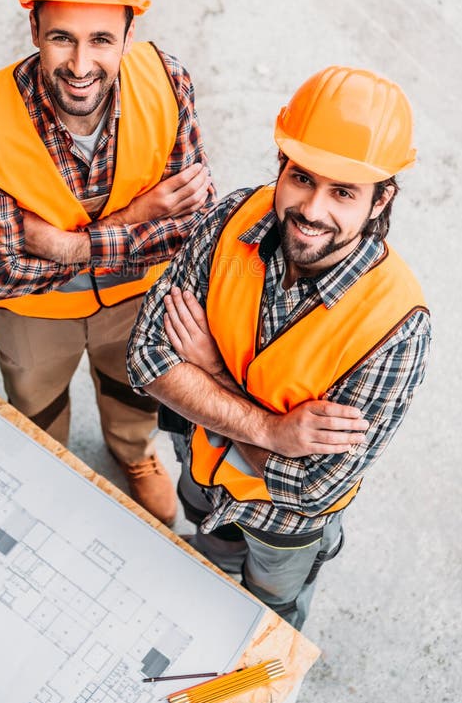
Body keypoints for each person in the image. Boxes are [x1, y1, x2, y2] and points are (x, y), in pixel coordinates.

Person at [127, 65, 431, 628]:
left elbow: (312, 485)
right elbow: (147, 357)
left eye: (344, 192)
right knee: (211, 557)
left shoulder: (395, 325)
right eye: (302, 178)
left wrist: (210, 377)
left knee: (270, 610)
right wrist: (273, 433)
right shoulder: (229, 222)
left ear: (382, 199)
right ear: (281, 166)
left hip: (282, 526)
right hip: (201, 469)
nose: (313, 210)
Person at [0, 0, 215, 526]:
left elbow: (191, 231)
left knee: (133, 392)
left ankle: (134, 455)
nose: (80, 63)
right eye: (61, 38)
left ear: (128, 32)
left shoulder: (167, 84)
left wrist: (63, 242)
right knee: (36, 405)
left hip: (134, 301)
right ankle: (45, 468)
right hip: (34, 317)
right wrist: (141, 215)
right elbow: (2, 272)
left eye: (101, 39)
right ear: (34, 29)